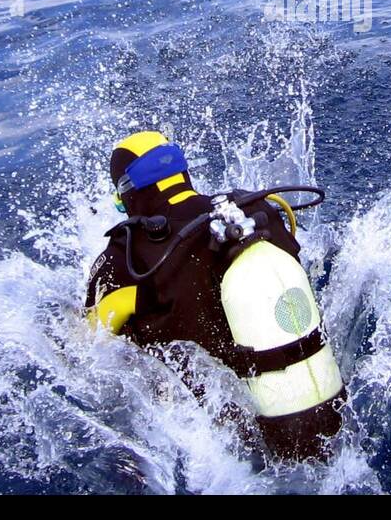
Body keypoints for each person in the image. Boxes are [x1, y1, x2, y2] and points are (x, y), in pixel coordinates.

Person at [84, 130, 343, 460]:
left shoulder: (127, 253)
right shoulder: (254, 207)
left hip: (222, 434)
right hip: (320, 402)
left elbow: (90, 341)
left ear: (128, 193)